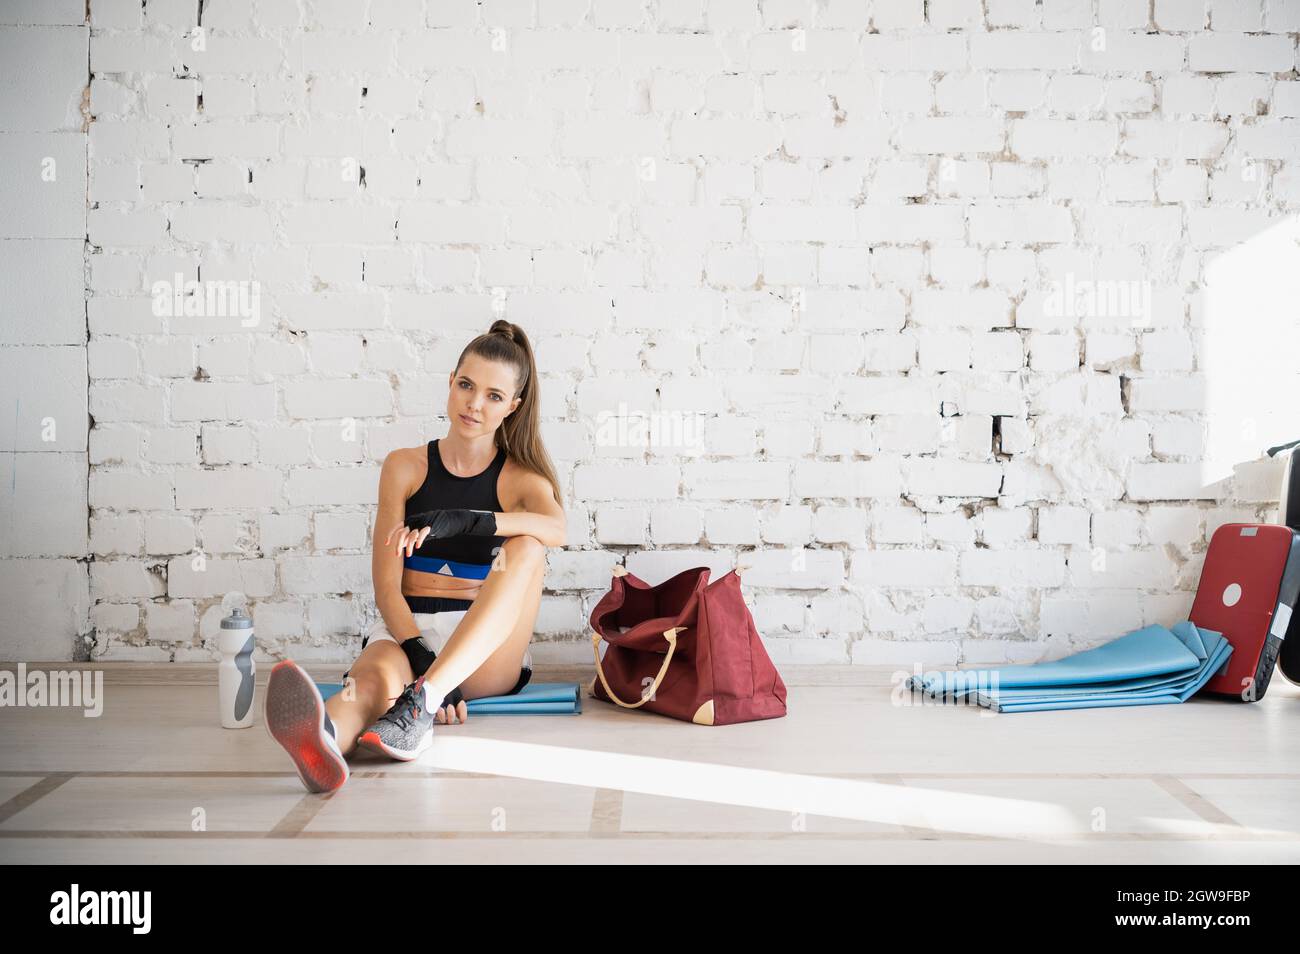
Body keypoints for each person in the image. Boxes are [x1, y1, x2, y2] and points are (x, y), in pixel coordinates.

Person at [265, 320, 566, 793]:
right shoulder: (404, 467)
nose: (473, 403)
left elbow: (558, 529)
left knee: (528, 545)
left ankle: (422, 701)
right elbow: (387, 587)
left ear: (513, 406)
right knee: (367, 684)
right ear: (450, 383)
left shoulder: (521, 479)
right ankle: (323, 742)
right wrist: (418, 654)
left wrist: (473, 519)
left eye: (492, 395)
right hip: (409, 633)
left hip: (482, 651)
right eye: (466, 385)